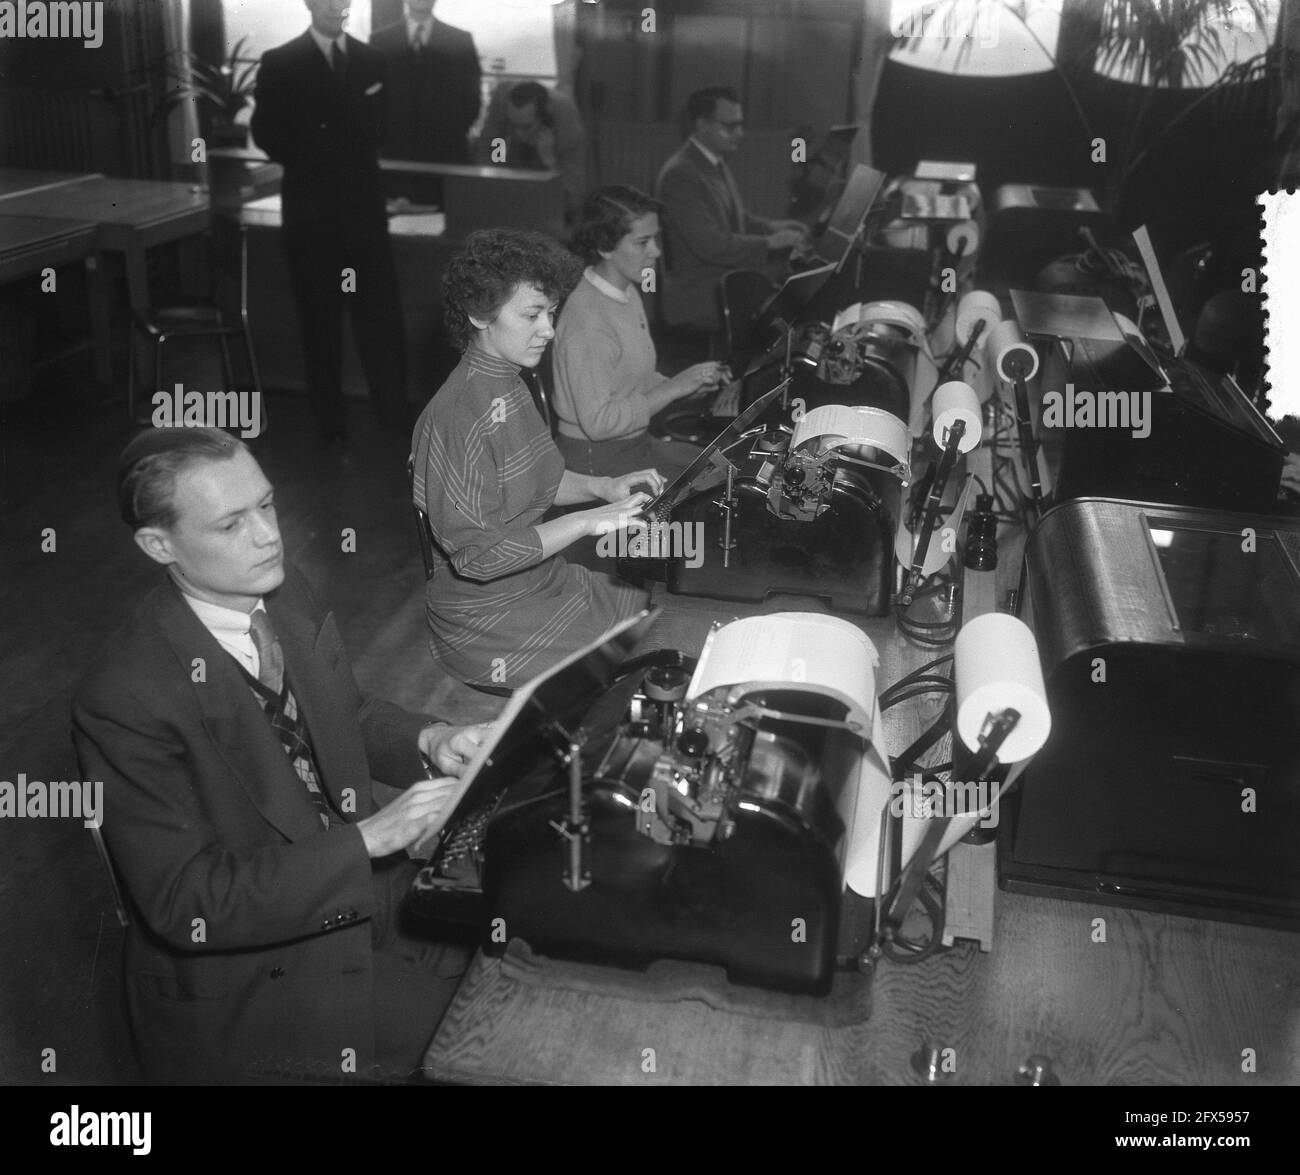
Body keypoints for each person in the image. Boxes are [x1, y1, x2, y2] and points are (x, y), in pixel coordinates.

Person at [71, 428, 490, 1084]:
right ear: (159, 545)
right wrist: (369, 838)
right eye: (231, 523)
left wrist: (429, 740)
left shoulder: (284, 591)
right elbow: (188, 901)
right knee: (484, 1050)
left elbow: (346, 714)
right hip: (257, 982)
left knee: (527, 946)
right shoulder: (124, 697)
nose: (268, 535)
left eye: (266, 504)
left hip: (368, 897)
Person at [411, 228, 655, 690]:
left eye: (552, 313)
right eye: (532, 315)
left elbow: (542, 479)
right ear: (479, 314)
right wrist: (585, 522)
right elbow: (479, 557)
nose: (549, 330)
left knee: (655, 615)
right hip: (488, 616)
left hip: (542, 580)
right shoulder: (456, 416)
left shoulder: (508, 381)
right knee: (640, 658)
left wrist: (603, 487)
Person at [250, 0, 409, 440]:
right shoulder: (281, 61)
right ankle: (329, 424)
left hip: (364, 216)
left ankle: (393, 417)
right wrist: (323, 156)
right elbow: (266, 134)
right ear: (308, 4)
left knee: (380, 319)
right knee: (319, 323)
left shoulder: (371, 59)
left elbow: (384, 127)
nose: (336, 7)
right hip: (311, 218)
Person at [552, 186, 729, 480]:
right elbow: (599, 423)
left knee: (724, 468)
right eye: (643, 242)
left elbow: (633, 381)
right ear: (605, 247)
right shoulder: (588, 324)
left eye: (655, 238)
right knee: (712, 488)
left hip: (635, 443)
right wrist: (673, 389)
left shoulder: (626, 291)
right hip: (595, 461)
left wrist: (687, 385)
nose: (656, 251)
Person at [655, 86, 809, 336]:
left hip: (720, 282)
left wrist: (775, 228)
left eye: (740, 125)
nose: (740, 133)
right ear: (702, 124)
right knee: (790, 311)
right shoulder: (680, 174)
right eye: (730, 126)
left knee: (793, 297)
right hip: (699, 295)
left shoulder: (713, 162)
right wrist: (771, 242)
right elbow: (710, 245)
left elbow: (738, 220)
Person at [370, 0, 481, 164]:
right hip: (394, 145)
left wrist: (456, 129)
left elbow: (472, 95)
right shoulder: (381, 40)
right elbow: (373, 94)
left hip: (446, 146)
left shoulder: (460, 40)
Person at [475, 81, 588, 222]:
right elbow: (490, 151)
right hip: (509, 202)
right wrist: (497, 175)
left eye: (526, 127)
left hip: (551, 211)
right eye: (514, 125)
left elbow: (574, 197)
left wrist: (550, 162)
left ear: (544, 117)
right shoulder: (502, 102)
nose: (518, 133)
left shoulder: (566, 120)